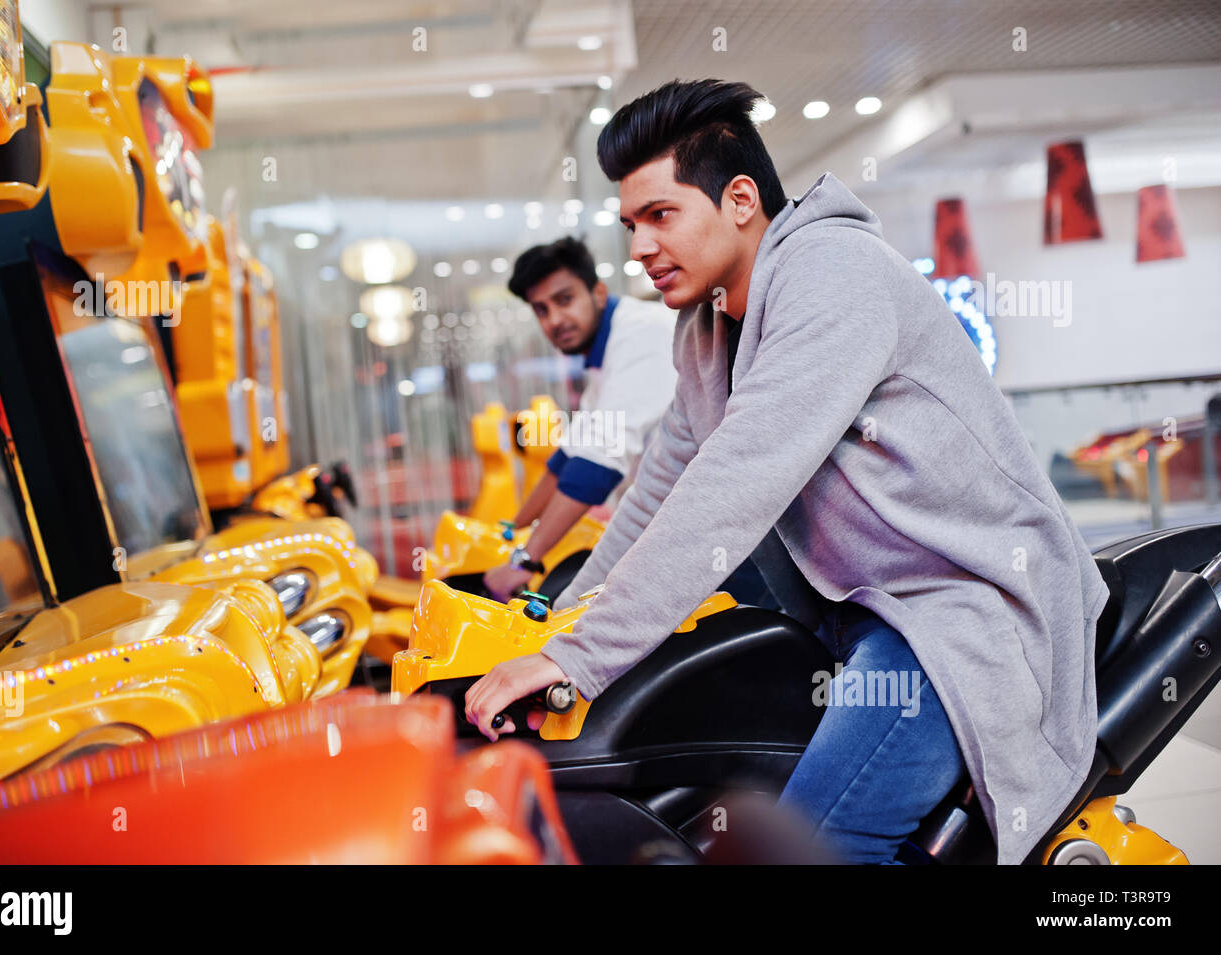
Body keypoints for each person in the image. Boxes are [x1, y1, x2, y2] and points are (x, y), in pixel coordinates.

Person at [464, 78, 1109, 865]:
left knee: (811, 848)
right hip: (850, 610)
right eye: (630, 223)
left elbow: (734, 483)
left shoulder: (833, 274)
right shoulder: (704, 330)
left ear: (740, 199)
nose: (637, 246)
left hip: (956, 611)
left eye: (661, 216)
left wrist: (577, 656)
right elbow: (659, 492)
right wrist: (556, 622)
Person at [481, 237, 677, 600]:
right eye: (541, 309)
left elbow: (598, 462)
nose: (555, 319)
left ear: (598, 293)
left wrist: (523, 561)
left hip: (713, 529)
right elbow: (567, 458)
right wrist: (511, 529)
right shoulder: (604, 356)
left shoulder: (641, 333)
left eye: (564, 299)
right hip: (662, 524)